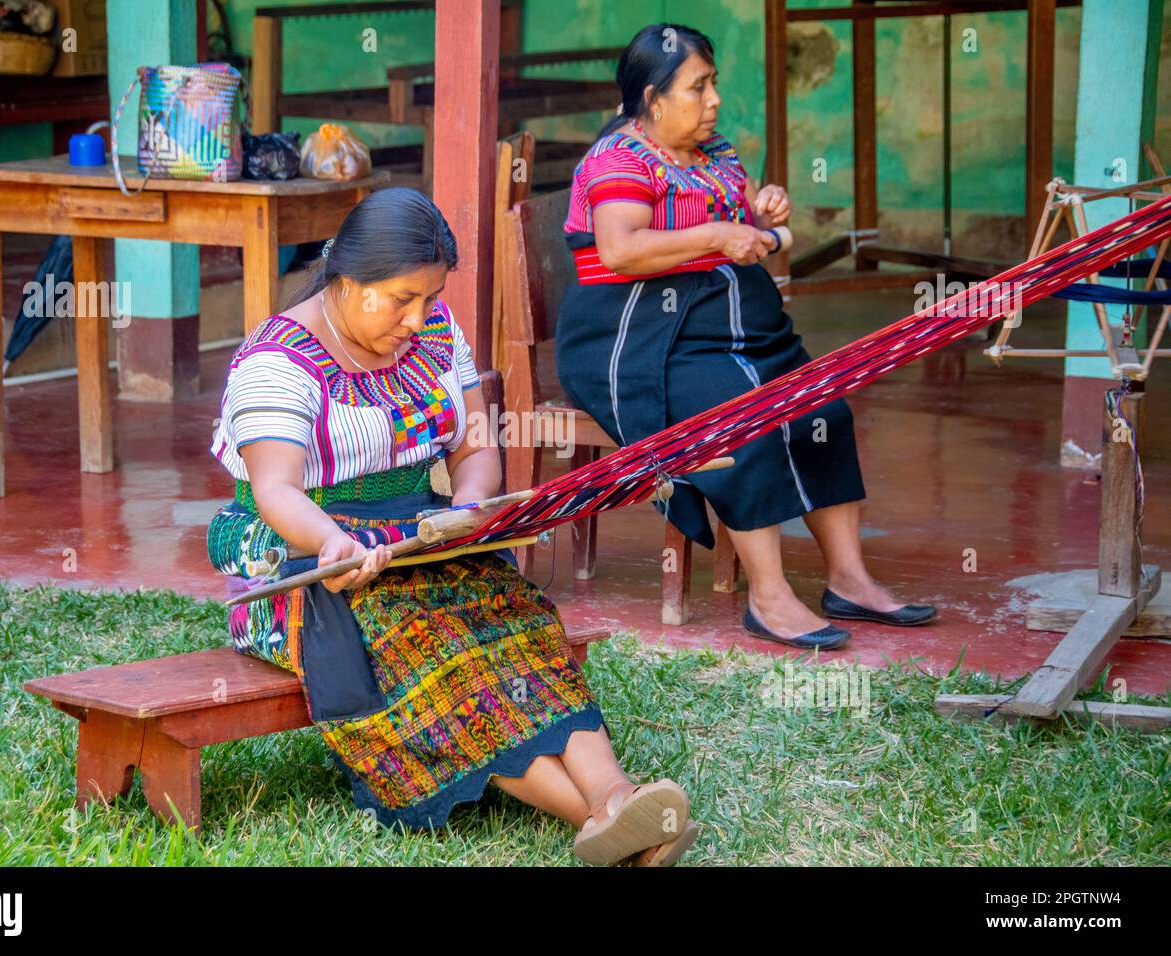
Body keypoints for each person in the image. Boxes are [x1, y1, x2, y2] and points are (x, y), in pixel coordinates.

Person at [206, 187, 698, 865]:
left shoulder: (436, 335)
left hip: (418, 541)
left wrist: (469, 508)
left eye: (431, 298)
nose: (420, 317)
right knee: (435, 652)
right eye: (402, 299)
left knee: (514, 621)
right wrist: (331, 542)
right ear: (348, 283)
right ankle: (603, 818)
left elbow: (474, 450)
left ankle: (618, 794)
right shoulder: (276, 363)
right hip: (305, 571)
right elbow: (276, 490)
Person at [555, 24, 937, 650]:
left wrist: (761, 214)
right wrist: (715, 236)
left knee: (824, 411)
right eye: (697, 88)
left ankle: (850, 579)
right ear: (654, 100)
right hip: (641, 342)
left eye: (713, 85)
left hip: (731, 330)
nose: (714, 101)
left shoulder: (717, 152)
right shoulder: (616, 161)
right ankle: (769, 596)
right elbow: (620, 250)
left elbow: (737, 229)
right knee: (747, 424)